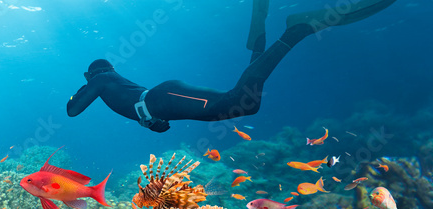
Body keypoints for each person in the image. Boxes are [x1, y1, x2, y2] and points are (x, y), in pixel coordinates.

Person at [66, 0, 397, 133]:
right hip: (160, 102)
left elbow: (73, 110)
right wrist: (152, 124)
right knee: (241, 101)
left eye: (89, 77)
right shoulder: (112, 83)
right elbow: (156, 124)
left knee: (243, 102)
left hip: (162, 97)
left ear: (93, 73)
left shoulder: (103, 78)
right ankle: (259, 29)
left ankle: (295, 31)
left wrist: (80, 89)